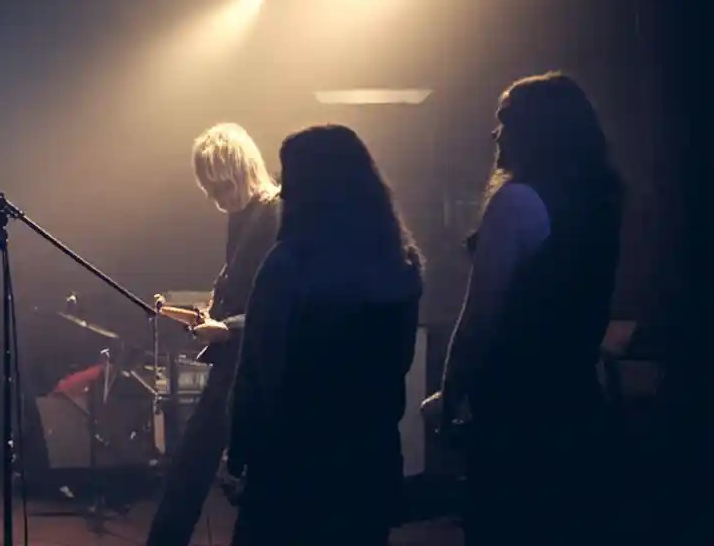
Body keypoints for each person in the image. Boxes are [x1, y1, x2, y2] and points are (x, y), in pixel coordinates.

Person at [423, 72, 623, 545]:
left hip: (514, 411)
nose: (496, 132)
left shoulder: (516, 202)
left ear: (536, 128)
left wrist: (450, 394)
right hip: (575, 400)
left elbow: (479, 317)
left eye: (506, 119)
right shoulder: (599, 201)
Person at [228, 125, 422, 546]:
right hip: (368, 457)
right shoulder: (401, 263)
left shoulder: (288, 265)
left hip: (291, 462)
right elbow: (399, 363)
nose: (282, 192)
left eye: (289, 178)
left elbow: (260, 369)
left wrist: (239, 450)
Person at [146, 123, 280, 546]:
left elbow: (280, 303)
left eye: (221, 187)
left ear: (242, 170)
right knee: (191, 470)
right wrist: (212, 313)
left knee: (209, 472)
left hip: (259, 367)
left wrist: (226, 327)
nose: (216, 199)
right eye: (210, 190)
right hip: (237, 362)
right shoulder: (245, 217)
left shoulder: (275, 214)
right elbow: (243, 288)